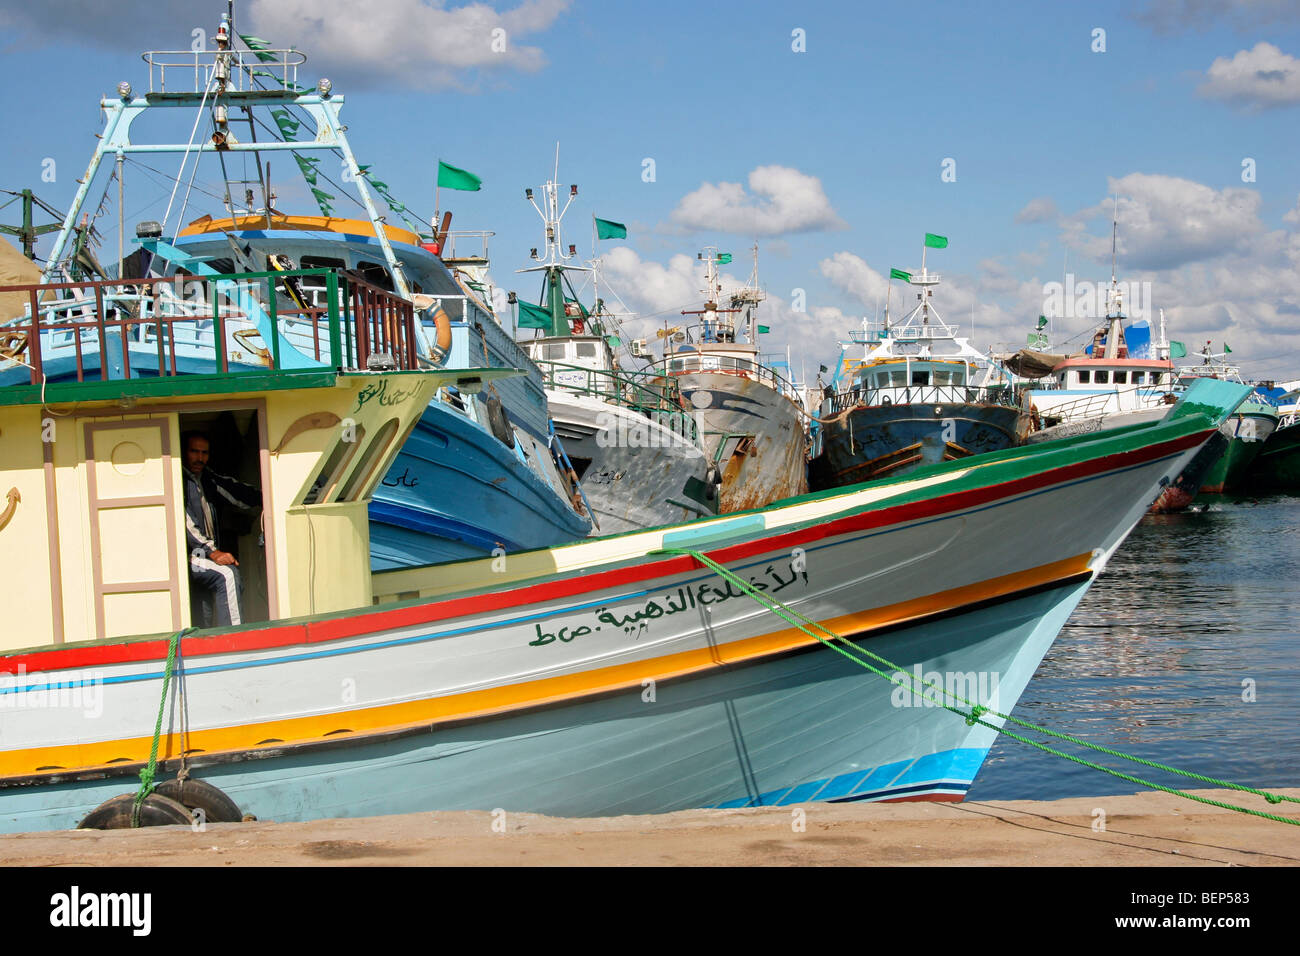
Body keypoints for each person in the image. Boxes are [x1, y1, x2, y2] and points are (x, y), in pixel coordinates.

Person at [182, 430, 261, 627]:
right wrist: (213, 552)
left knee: (204, 617)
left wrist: (269, 494)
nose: (200, 458)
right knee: (227, 574)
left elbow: (235, 491)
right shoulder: (177, 480)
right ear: (183, 452)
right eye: (194, 452)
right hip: (191, 556)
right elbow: (186, 524)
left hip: (203, 556)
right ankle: (236, 640)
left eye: (204, 453)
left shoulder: (207, 478)